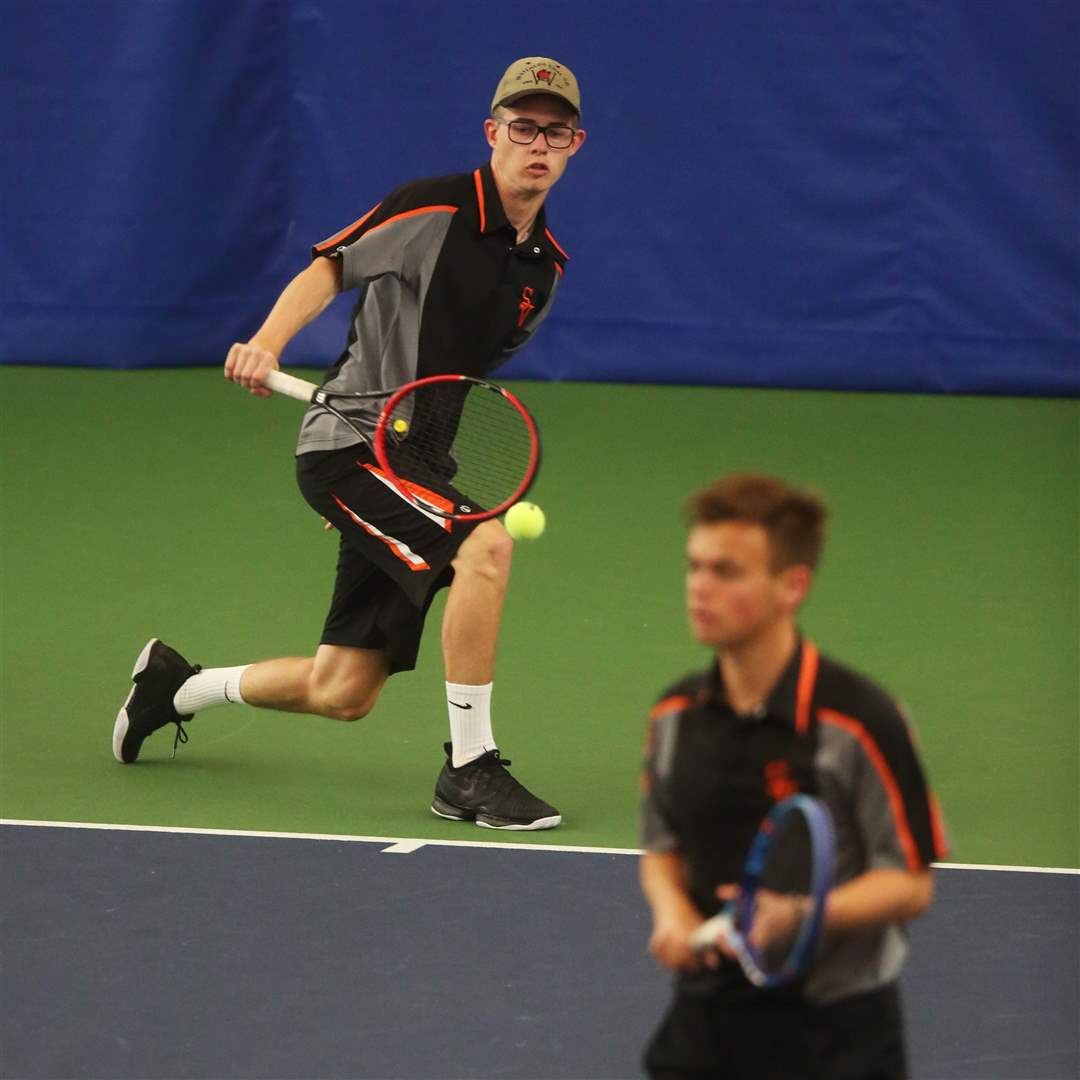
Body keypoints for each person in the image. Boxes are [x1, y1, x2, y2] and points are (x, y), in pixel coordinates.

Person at [112, 57, 587, 831]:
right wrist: (267, 343)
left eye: (555, 131)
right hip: (350, 448)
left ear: (574, 145)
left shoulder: (545, 272)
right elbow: (330, 268)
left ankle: (178, 687)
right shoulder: (431, 208)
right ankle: (468, 769)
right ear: (492, 132)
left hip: (418, 466)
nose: (538, 143)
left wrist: (397, 490)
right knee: (486, 546)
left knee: (345, 692)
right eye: (524, 127)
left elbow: (464, 373)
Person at [639, 474, 948, 1078]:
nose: (700, 588)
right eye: (694, 566)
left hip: (832, 1037)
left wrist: (803, 915)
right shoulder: (674, 715)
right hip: (706, 1022)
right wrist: (671, 912)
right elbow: (661, 847)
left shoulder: (860, 721)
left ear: (792, 586)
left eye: (727, 572)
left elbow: (910, 883)